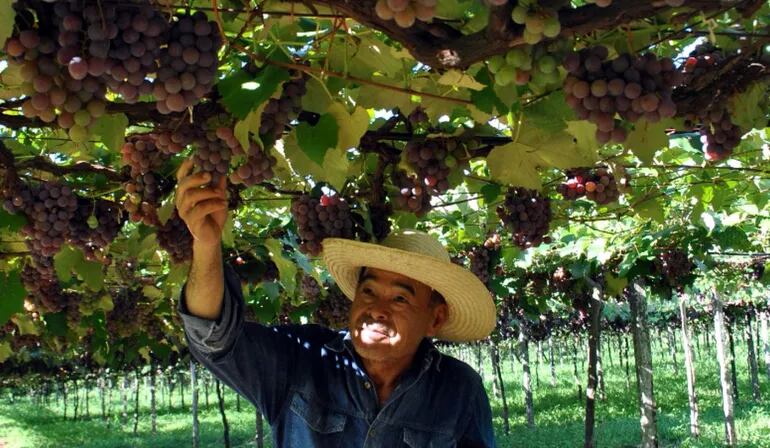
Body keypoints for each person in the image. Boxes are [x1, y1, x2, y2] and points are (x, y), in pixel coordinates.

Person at [175, 160, 497, 447]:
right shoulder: (302, 360)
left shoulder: (459, 390)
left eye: (400, 298)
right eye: (368, 291)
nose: (376, 309)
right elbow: (213, 338)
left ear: (435, 319)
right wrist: (206, 245)